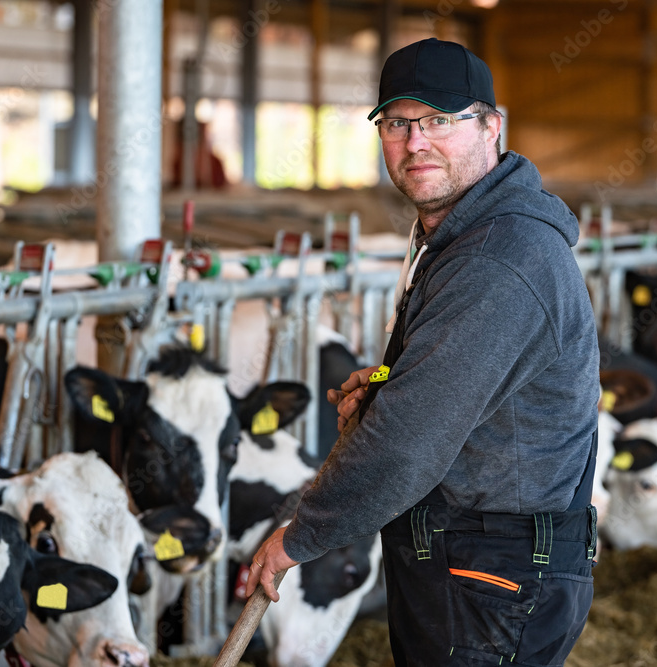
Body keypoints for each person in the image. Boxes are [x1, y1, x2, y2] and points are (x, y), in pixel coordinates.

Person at [247, 38, 600, 666]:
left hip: (490, 575)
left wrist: (301, 535)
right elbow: (456, 379)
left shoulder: (499, 259)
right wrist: (388, 377)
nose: (416, 143)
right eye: (398, 123)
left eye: (441, 120)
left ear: (492, 126)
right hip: (474, 566)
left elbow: (409, 440)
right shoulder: (466, 235)